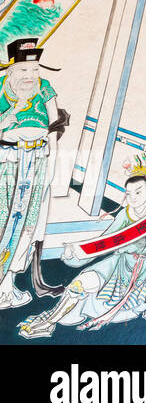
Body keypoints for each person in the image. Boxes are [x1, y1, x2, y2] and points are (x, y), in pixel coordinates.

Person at [18, 154, 146, 338]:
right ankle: (49, 323)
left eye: (138, 192)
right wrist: (74, 256)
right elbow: (103, 243)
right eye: (128, 193)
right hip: (121, 264)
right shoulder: (124, 216)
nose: (132, 198)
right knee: (79, 286)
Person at [0, 38, 64, 309]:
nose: (31, 76)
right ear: (11, 70)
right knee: (4, 220)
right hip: (8, 160)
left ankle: (7, 286)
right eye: (24, 70)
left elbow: (54, 126)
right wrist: (4, 121)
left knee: (29, 221)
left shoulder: (45, 89)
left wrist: (52, 166)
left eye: (35, 69)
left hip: (37, 159)